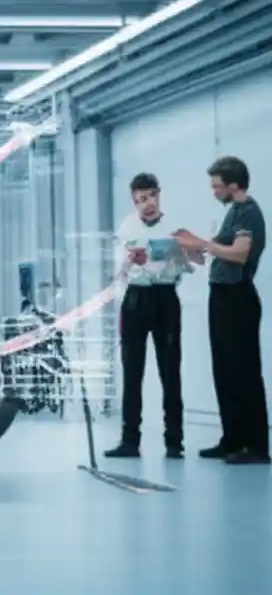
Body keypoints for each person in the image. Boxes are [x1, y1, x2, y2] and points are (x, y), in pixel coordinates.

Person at [174, 156, 271, 465]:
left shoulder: (248, 212)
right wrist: (188, 247)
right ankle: (232, 439)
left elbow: (240, 255)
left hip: (237, 298)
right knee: (224, 369)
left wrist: (202, 242)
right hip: (221, 297)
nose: (214, 192)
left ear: (234, 185)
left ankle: (255, 446)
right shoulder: (233, 213)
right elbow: (213, 253)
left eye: (217, 186)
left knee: (243, 371)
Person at [105, 173, 195, 459]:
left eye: (150, 197)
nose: (146, 204)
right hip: (136, 298)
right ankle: (129, 440)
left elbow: (194, 261)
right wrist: (129, 261)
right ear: (134, 201)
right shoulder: (126, 228)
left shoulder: (175, 227)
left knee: (170, 372)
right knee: (132, 371)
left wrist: (173, 252)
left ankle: (174, 442)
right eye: (139, 200)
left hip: (166, 298)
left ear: (159, 194)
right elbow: (117, 272)